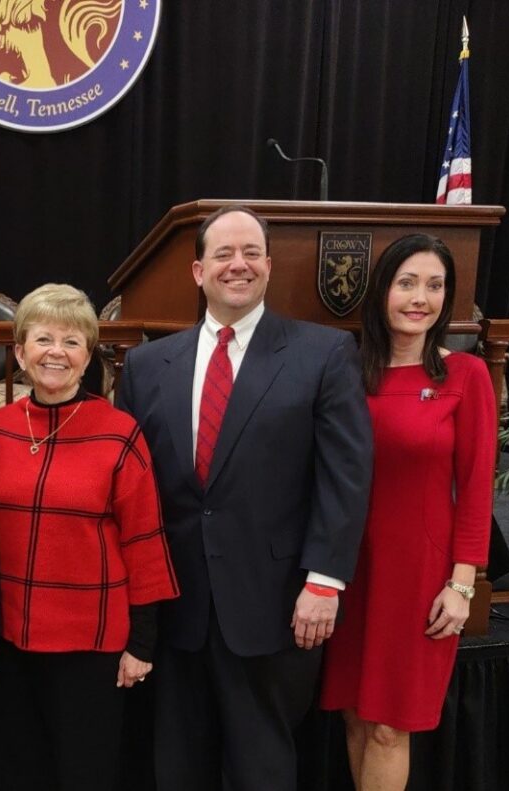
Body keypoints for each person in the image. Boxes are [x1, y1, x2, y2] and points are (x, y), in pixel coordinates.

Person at [115, 205, 374, 790]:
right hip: (175, 607)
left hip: (275, 604)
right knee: (177, 766)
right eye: (224, 254)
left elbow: (346, 476)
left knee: (261, 768)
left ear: (269, 266)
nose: (239, 264)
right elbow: (131, 490)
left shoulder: (324, 354)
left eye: (252, 252)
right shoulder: (147, 365)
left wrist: (324, 582)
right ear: (198, 271)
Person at [320, 234, 497, 791]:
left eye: (435, 285)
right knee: (354, 715)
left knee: (389, 728)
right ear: (381, 291)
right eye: (407, 283)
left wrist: (462, 586)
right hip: (348, 571)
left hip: (419, 576)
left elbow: (476, 489)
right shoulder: (344, 372)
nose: (421, 298)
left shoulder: (465, 375)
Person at [0, 283, 179, 791]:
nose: (56, 352)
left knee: (84, 774)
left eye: (72, 342)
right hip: (11, 642)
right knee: (18, 774)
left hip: (92, 646)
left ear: (88, 357)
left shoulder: (119, 431)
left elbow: (144, 543)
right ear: (20, 352)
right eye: (43, 339)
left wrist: (142, 643)